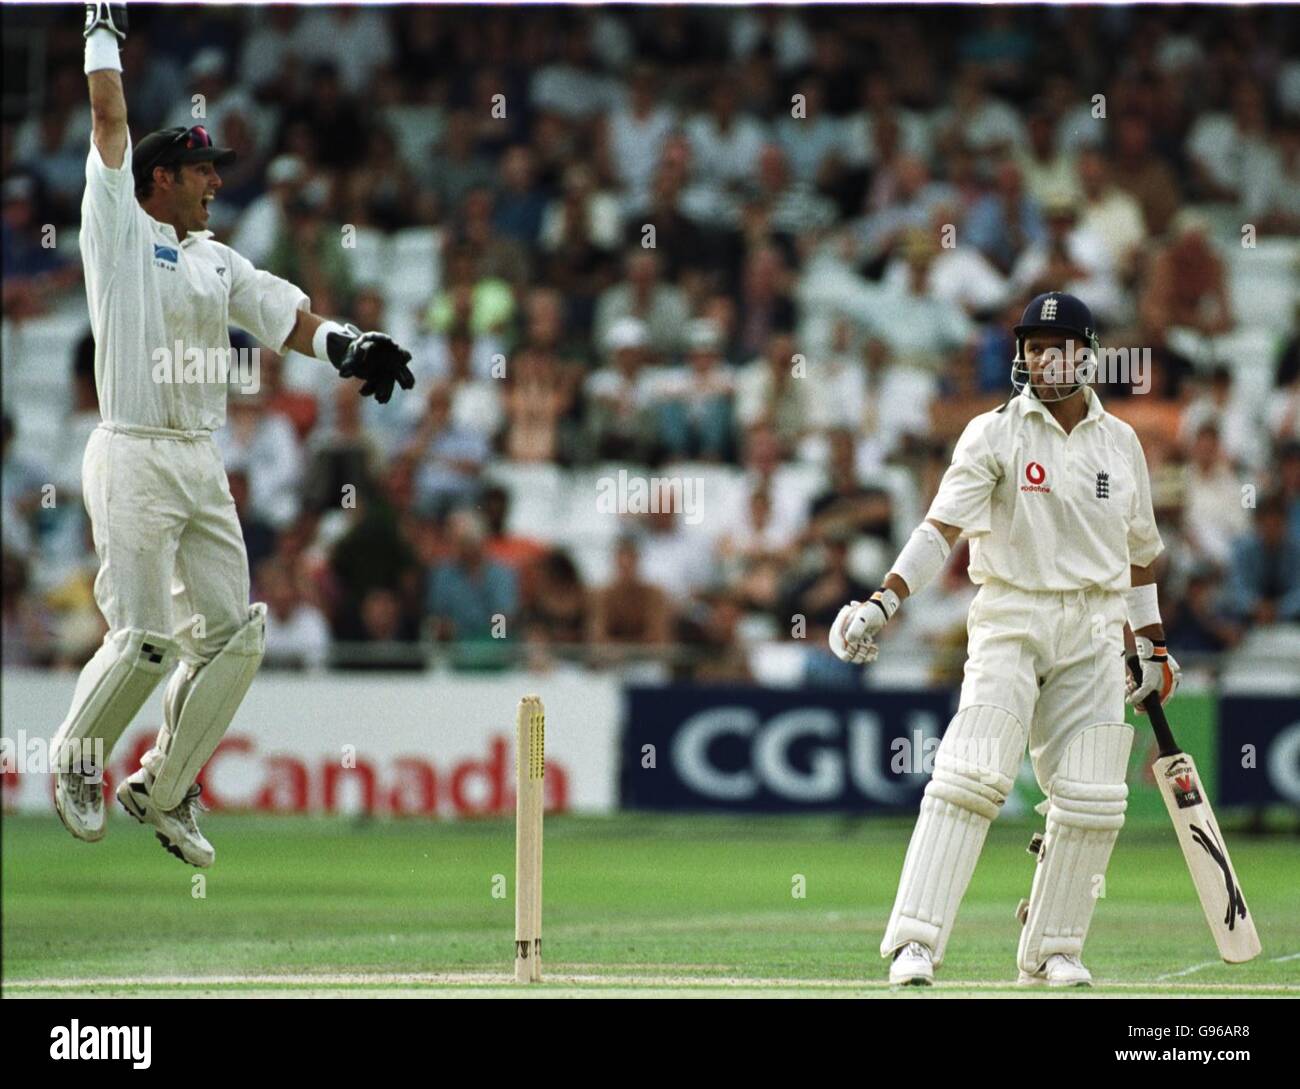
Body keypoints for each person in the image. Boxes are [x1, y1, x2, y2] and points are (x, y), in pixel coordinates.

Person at [51, 4, 415, 868]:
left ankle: (166, 786)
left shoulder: (219, 257)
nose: (216, 181)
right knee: (142, 640)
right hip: (133, 446)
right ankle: (76, 759)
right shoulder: (118, 226)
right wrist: (101, 32)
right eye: (201, 169)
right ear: (160, 177)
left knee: (234, 636)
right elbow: (109, 118)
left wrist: (351, 345)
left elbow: (284, 315)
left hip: (199, 457)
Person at [831, 291, 1179, 987]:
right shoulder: (992, 433)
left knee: (1092, 795)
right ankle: (915, 943)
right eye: (1032, 344)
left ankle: (1053, 948)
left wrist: (1153, 645)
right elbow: (940, 530)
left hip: (1093, 628)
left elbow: (1140, 553)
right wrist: (884, 599)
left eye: (1058, 344)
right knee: (971, 774)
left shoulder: (1121, 442)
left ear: (1088, 354)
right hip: (1010, 616)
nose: (1042, 356)